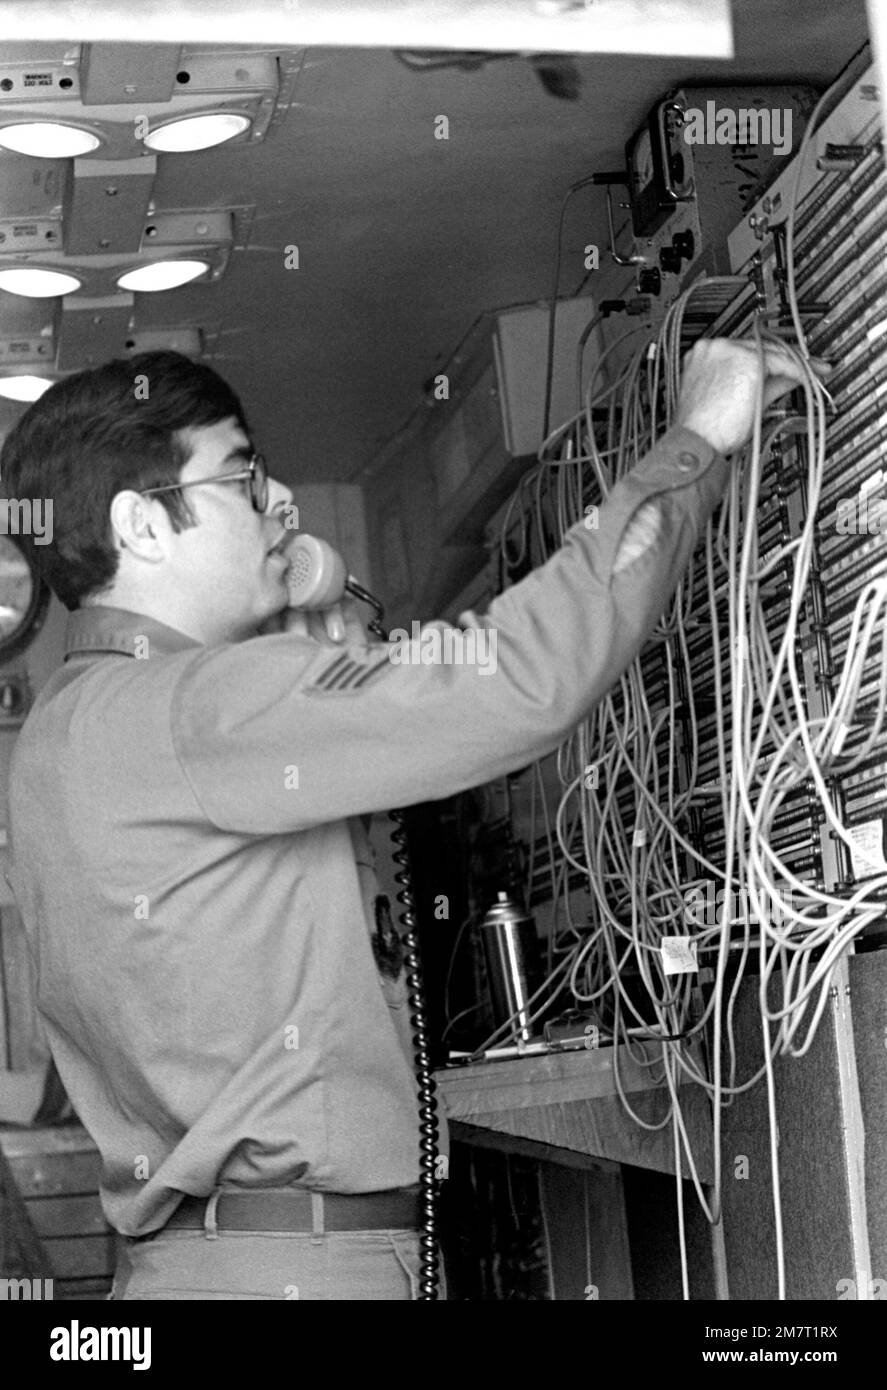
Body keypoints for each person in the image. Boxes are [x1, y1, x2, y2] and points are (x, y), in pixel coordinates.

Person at [1, 338, 821, 1300]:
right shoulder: (200, 704)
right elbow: (515, 678)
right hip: (293, 1270)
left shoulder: (70, 726)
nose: (278, 503)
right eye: (242, 477)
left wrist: (310, 612)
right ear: (142, 524)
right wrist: (694, 440)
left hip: (220, 1261)